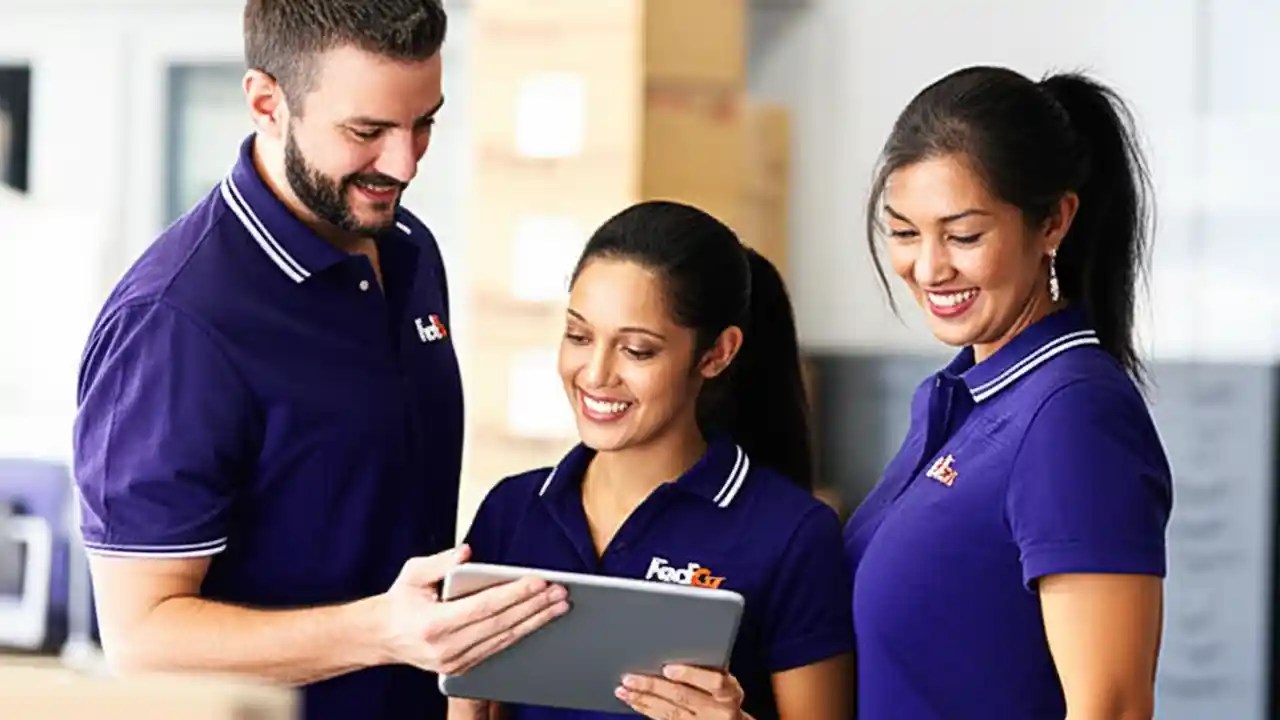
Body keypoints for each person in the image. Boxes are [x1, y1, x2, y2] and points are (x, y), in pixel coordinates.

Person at [70, 2, 567, 719]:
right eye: (366, 132)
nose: (402, 164)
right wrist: (383, 633)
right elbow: (143, 639)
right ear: (267, 103)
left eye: (424, 122)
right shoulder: (175, 321)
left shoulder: (410, 249)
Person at [844, 65, 1173, 719]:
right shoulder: (960, 398)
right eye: (905, 233)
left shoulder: (1072, 416)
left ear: (1053, 221)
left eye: (964, 235)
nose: (930, 268)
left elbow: (1110, 708)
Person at [450, 200, 855, 720]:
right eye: (578, 335)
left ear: (716, 354)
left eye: (637, 350)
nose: (595, 374)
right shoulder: (512, 512)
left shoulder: (793, 534)